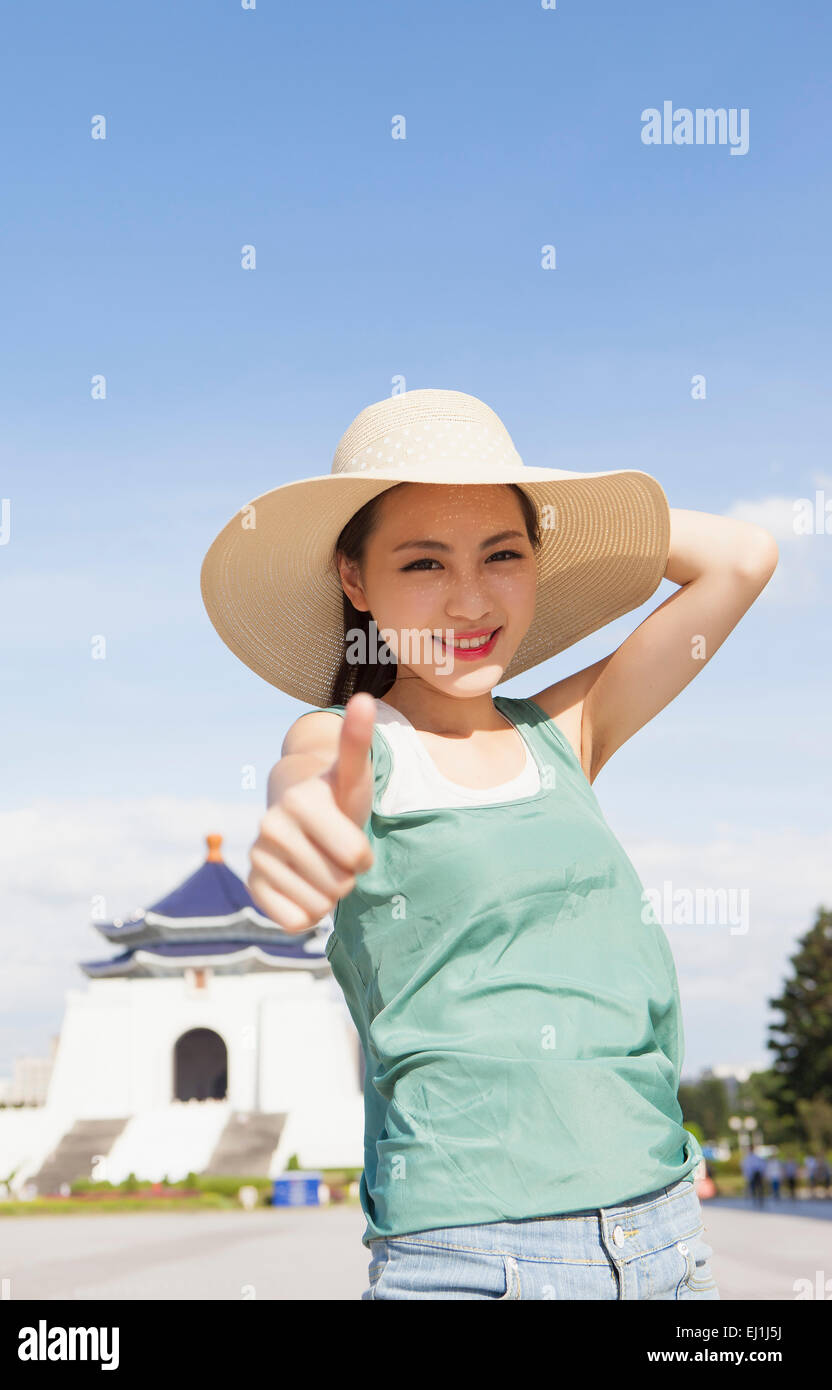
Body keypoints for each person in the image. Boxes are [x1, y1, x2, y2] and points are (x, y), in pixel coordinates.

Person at [201, 388, 778, 1300]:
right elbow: (310, 779)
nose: (470, 599)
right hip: (476, 1260)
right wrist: (305, 823)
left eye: (503, 554)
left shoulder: (569, 731)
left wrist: (584, 514)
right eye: (423, 561)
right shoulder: (353, 743)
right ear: (354, 579)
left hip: (666, 1237)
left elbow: (743, 558)